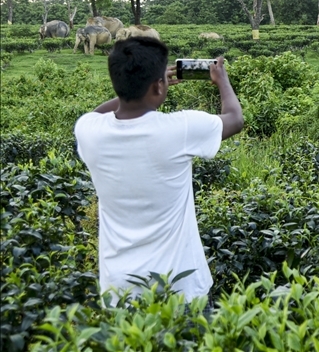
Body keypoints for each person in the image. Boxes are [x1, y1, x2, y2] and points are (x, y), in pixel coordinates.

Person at [75, 38, 244, 301]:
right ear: (158, 85)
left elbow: (95, 115)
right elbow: (235, 119)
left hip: (119, 289)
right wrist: (222, 80)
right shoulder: (181, 128)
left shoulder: (89, 132)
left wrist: (140, 90)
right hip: (180, 287)